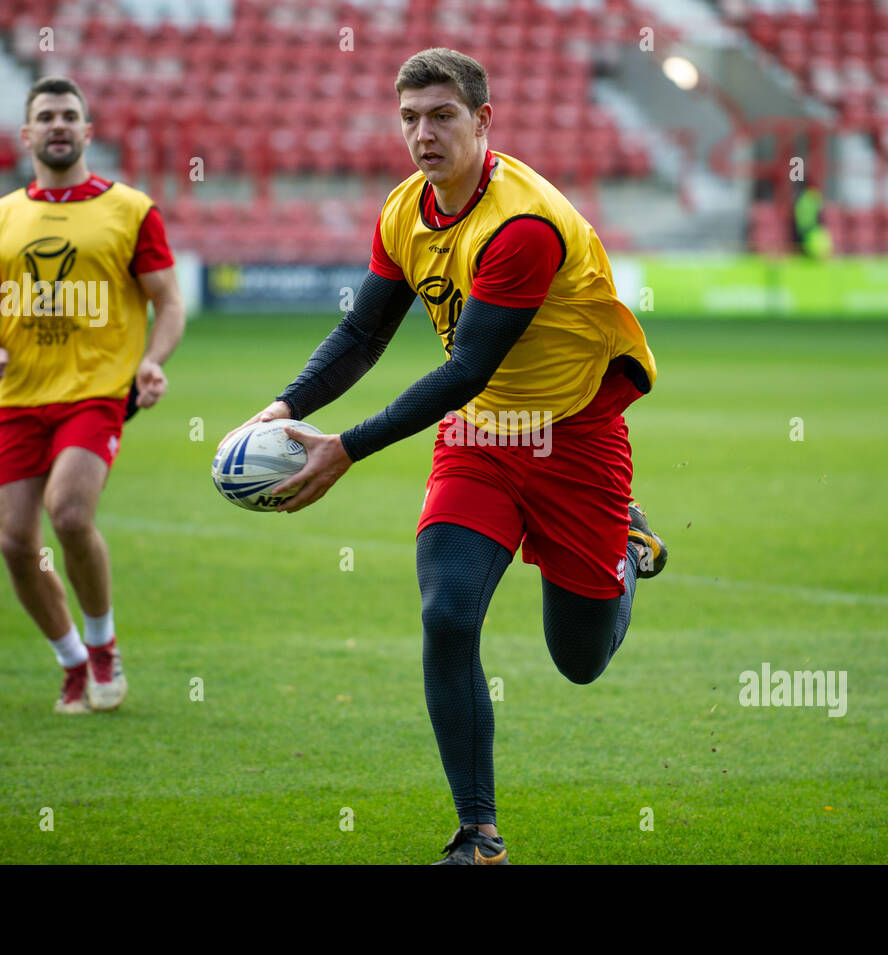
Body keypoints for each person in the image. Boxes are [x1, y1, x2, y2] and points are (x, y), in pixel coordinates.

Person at [228, 48, 665, 864]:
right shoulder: (403, 210)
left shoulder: (523, 225)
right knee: (447, 613)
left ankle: (626, 551)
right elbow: (364, 333)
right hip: (477, 438)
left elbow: (468, 364)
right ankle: (480, 831)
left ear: (483, 120)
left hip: (572, 438)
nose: (422, 134)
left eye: (441, 116)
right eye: (409, 119)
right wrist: (286, 407)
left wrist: (347, 448)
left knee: (578, 661)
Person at [0, 76, 185, 714]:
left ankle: (103, 642)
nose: (58, 126)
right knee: (12, 542)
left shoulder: (132, 210)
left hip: (96, 393)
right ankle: (72, 664)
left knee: (69, 513)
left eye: (69, 116)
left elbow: (169, 302)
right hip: (18, 397)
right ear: (26, 135)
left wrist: (152, 362)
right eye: (46, 117)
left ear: (88, 133)